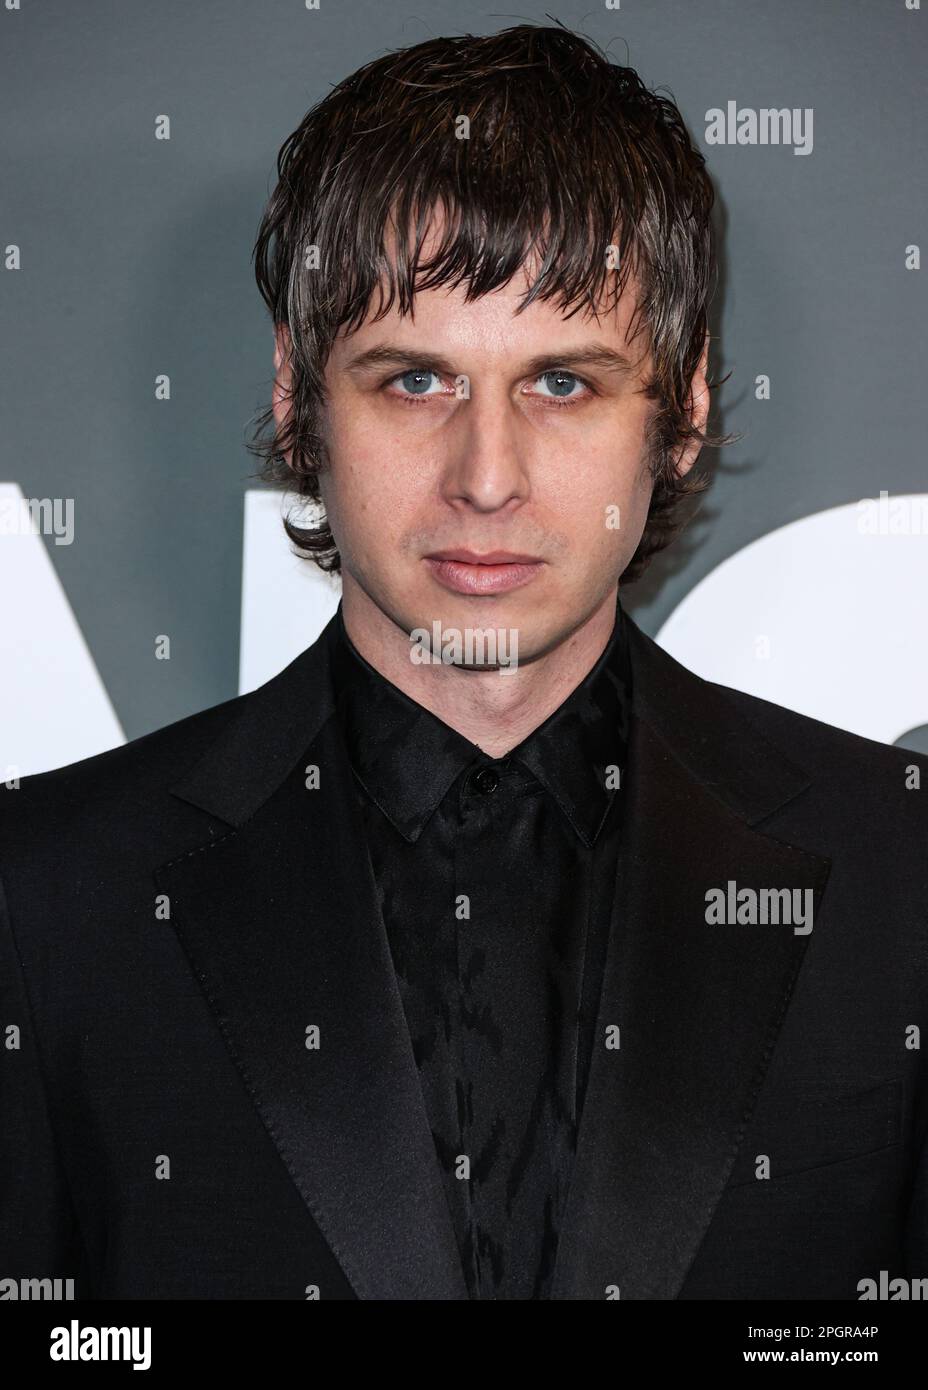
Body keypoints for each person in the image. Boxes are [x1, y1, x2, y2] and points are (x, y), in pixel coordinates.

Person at [1, 23, 925, 1301]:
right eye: (415, 378)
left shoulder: (901, 882)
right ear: (295, 397)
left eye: (561, 383)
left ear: (685, 408)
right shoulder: (46, 897)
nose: (485, 478)